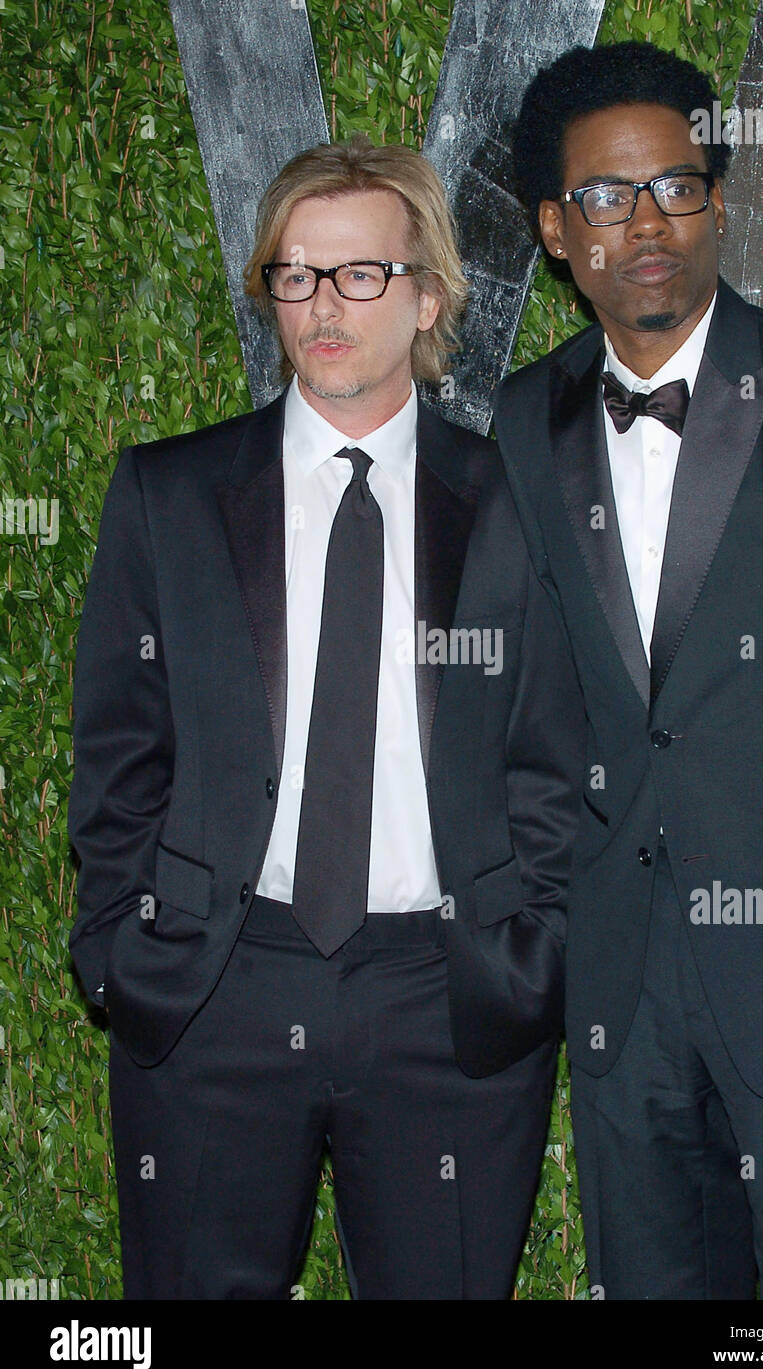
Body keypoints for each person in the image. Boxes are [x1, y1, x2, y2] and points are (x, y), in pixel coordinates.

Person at [67, 134, 585, 1300]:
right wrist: (118, 949)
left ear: (428, 298)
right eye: (295, 275)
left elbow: (555, 760)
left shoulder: (518, 508)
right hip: (216, 989)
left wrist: (531, 955)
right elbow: (117, 755)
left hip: (447, 1001)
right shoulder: (169, 493)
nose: (323, 305)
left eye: (360, 273)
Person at [493, 40, 763, 1300]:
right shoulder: (524, 419)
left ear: (718, 199)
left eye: (675, 186)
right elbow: (533, 704)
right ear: (559, 231)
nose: (646, 223)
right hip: (624, 990)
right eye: (605, 200)